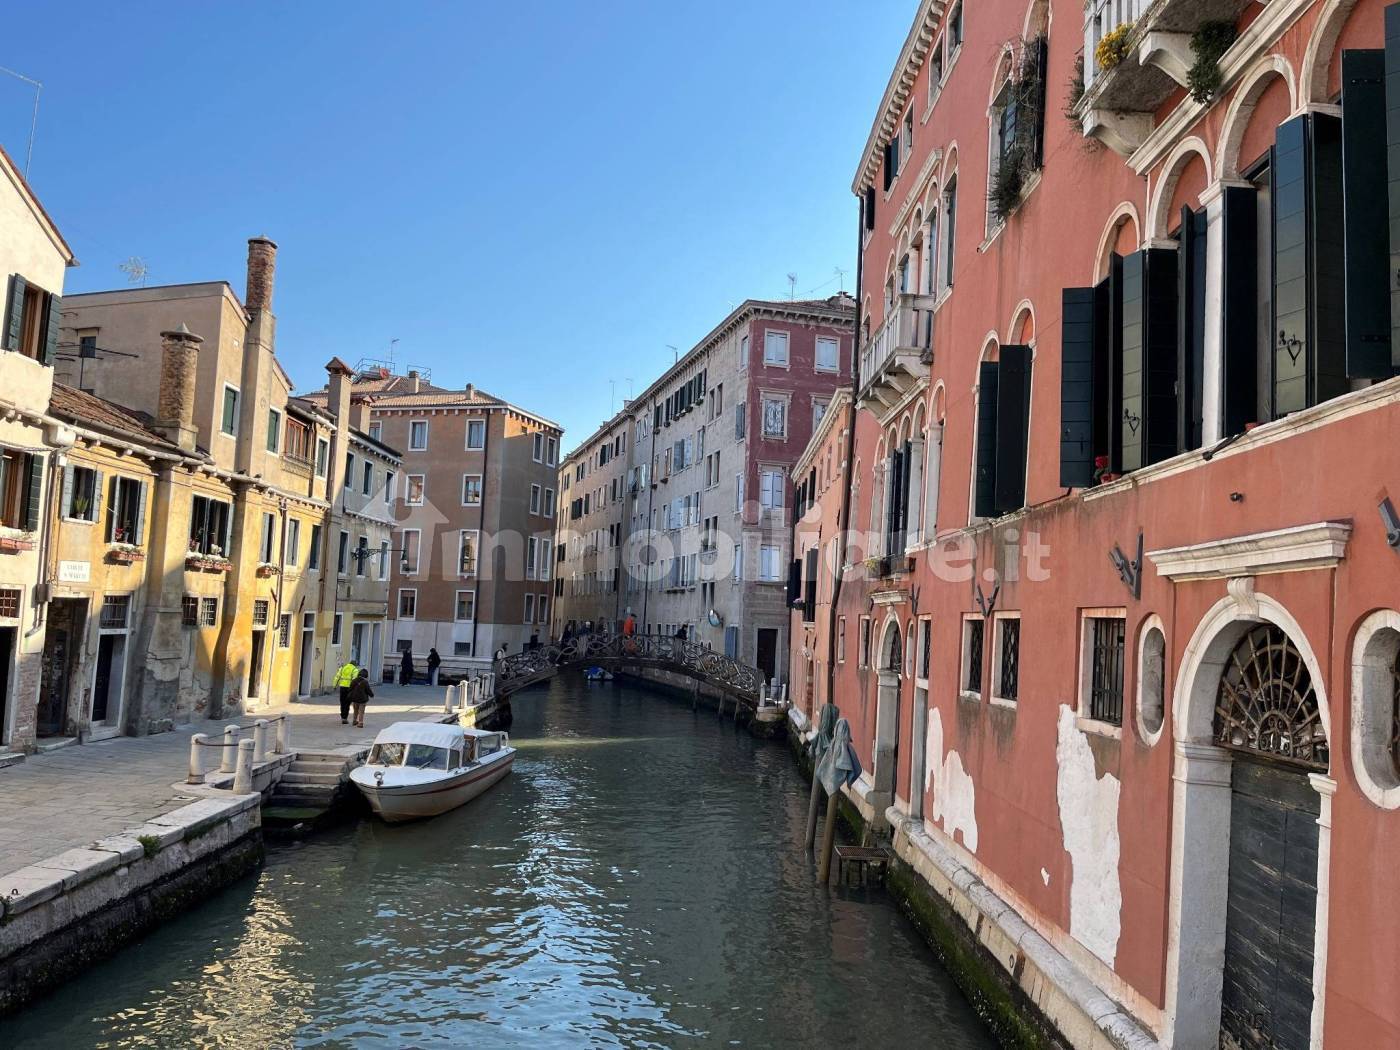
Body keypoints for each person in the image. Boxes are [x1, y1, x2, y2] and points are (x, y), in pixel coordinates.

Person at [334, 658, 359, 724]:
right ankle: (345, 718)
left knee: (342, 702)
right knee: (347, 703)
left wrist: (334, 685)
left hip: (342, 687)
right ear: (355, 664)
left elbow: (337, 677)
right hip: (349, 688)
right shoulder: (355, 670)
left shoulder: (343, 668)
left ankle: (342, 716)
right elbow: (354, 680)